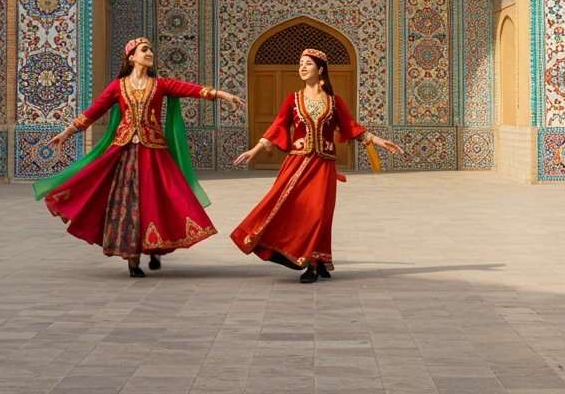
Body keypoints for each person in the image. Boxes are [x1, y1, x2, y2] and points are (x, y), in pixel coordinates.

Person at [38, 37, 244, 276]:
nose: (150, 53)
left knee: (156, 200)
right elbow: (94, 111)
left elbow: (191, 89)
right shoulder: (118, 86)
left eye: (150, 49)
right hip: (124, 153)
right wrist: (66, 133)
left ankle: (155, 249)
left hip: (154, 153)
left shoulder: (161, 84)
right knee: (128, 204)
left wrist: (222, 94)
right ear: (131, 56)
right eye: (144, 50)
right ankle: (132, 259)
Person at [230, 47, 403, 283]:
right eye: (300, 63)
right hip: (297, 165)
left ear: (320, 69)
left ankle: (319, 259)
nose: (302, 67)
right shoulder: (293, 99)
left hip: (323, 166)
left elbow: (351, 127)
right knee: (293, 211)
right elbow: (278, 126)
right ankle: (310, 263)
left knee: (320, 214)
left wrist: (378, 141)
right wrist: (255, 149)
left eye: (308, 63)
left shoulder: (334, 102)